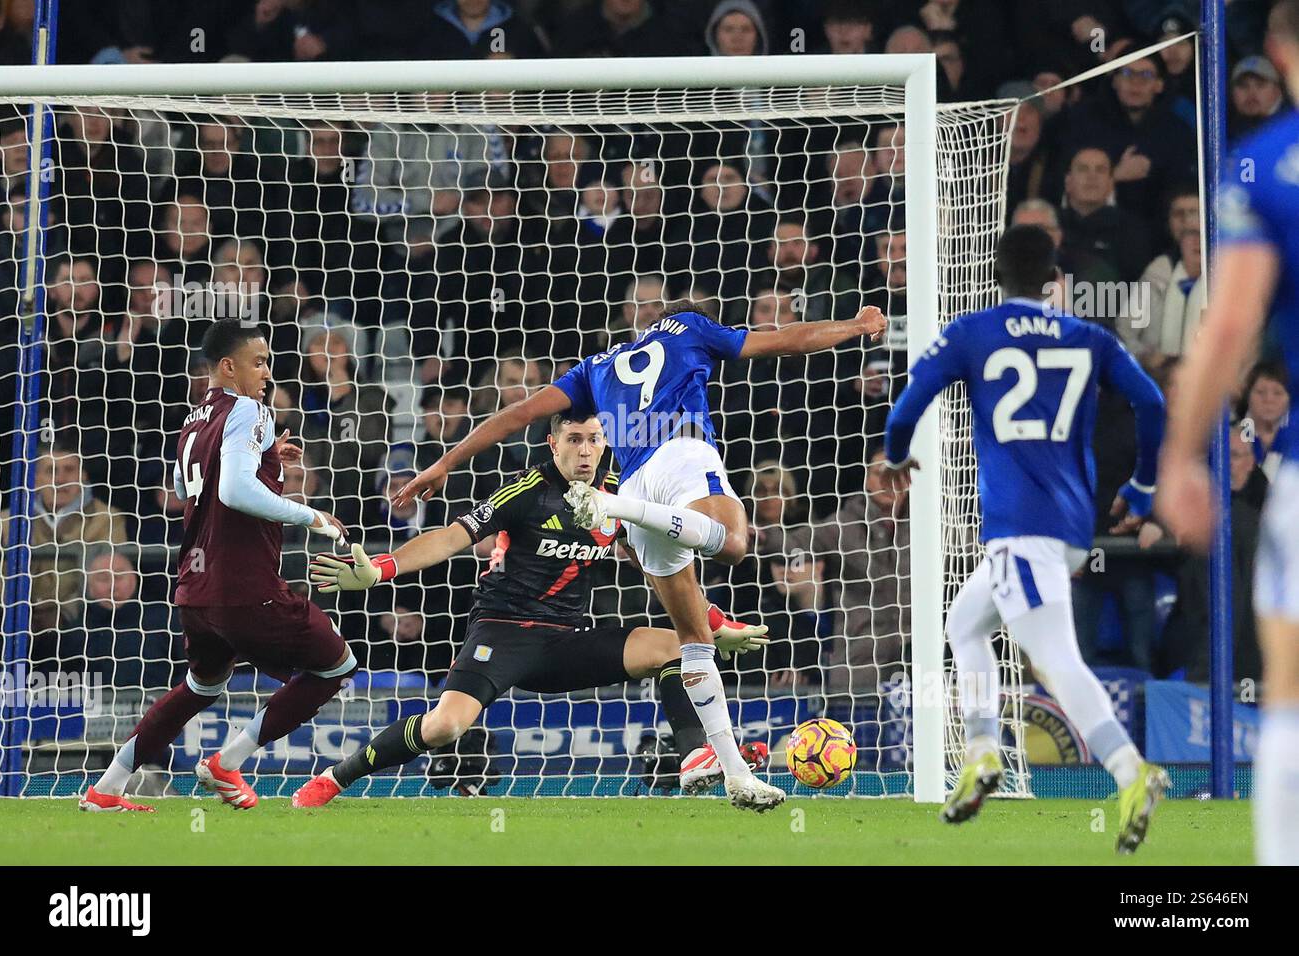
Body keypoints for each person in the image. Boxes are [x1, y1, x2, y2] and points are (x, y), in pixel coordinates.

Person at [395, 303, 887, 810]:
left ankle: (734, 774)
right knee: (736, 544)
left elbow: (516, 414)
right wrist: (854, 327)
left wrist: (443, 464)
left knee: (694, 640)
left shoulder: (594, 368)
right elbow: (781, 338)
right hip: (677, 456)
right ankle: (612, 506)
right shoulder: (691, 327)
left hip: (635, 483)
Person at [295, 413, 768, 806]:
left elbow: (661, 569)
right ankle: (335, 778)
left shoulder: (620, 497)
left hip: (567, 639)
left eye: (594, 440)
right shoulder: (526, 491)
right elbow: (450, 537)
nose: (585, 451)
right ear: (553, 443)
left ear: (606, 444)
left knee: (673, 647)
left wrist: (711, 624)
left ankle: (695, 757)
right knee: (446, 725)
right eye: (574, 440)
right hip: (504, 633)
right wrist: (383, 568)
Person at [882, 225, 1168, 853]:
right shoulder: (1089, 336)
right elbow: (1151, 403)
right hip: (1067, 523)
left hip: (1021, 528)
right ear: (1056, 283)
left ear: (995, 281)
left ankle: (1130, 769)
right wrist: (1143, 486)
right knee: (965, 623)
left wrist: (896, 457)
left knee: (1057, 660)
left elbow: (905, 409)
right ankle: (984, 750)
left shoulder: (972, 331)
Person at [79, 319, 352, 813]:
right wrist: (313, 516)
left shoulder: (194, 419)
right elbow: (234, 490)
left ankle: (107, 787)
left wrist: (268, 458)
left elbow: (187, 491)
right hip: (244, 583)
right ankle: (228, 762)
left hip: (196, 585)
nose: (267, 373)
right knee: (337, 665)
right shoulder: (250, 409)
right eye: (259, 362)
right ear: (229, 366)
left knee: (200, 685)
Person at [1157, 0, 1299, 868]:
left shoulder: (1269, 166)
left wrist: (1177, 456)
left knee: (1289, 693)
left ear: (1280, 52)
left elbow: (1227, 324)